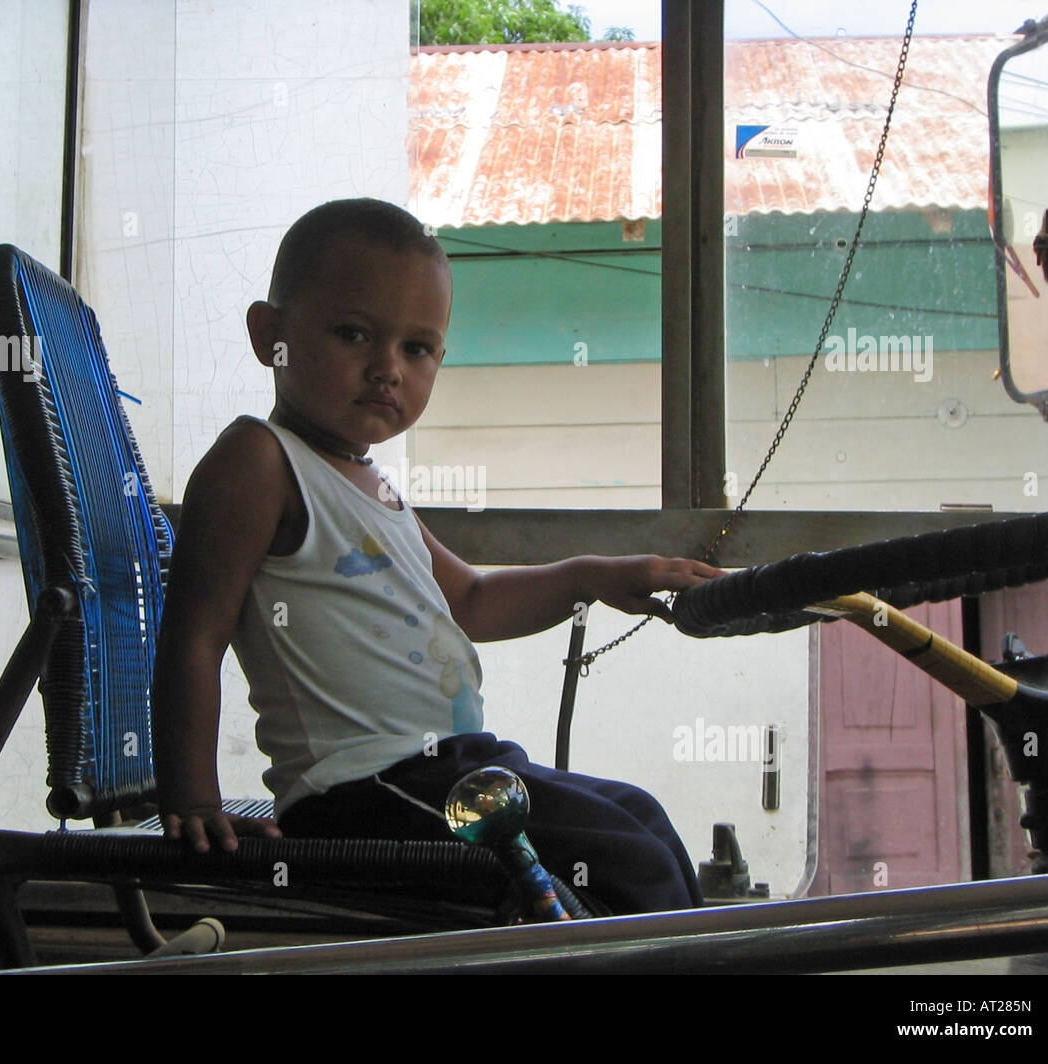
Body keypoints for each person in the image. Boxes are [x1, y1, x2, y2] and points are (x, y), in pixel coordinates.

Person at [152, 198, 722, 914]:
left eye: (417, 349)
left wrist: (594, 578)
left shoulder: (374, 487)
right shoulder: (259, 463)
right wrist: (192, 800)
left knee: (642, 818)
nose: (387, 369)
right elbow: (192, 639)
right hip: (367, 793)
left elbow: (473, 601)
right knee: (629, 864)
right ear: (271, 336)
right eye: (354, 334)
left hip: (454, 771)